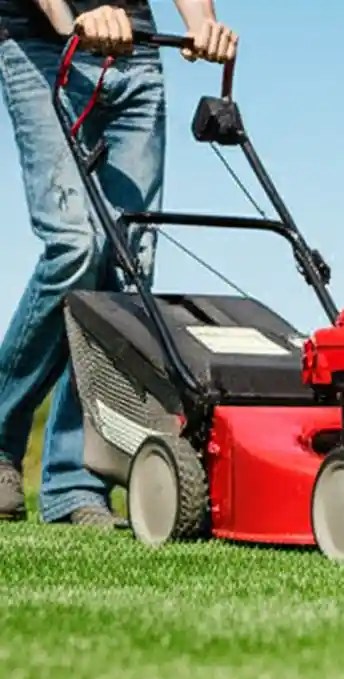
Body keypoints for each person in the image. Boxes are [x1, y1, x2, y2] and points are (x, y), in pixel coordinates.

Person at [0, 0, 236, 528]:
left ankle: (71, 480)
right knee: (75, 246)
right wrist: (70, 23)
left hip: (139, 56)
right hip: (43, 46)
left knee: (129, 268)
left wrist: (201, 25)